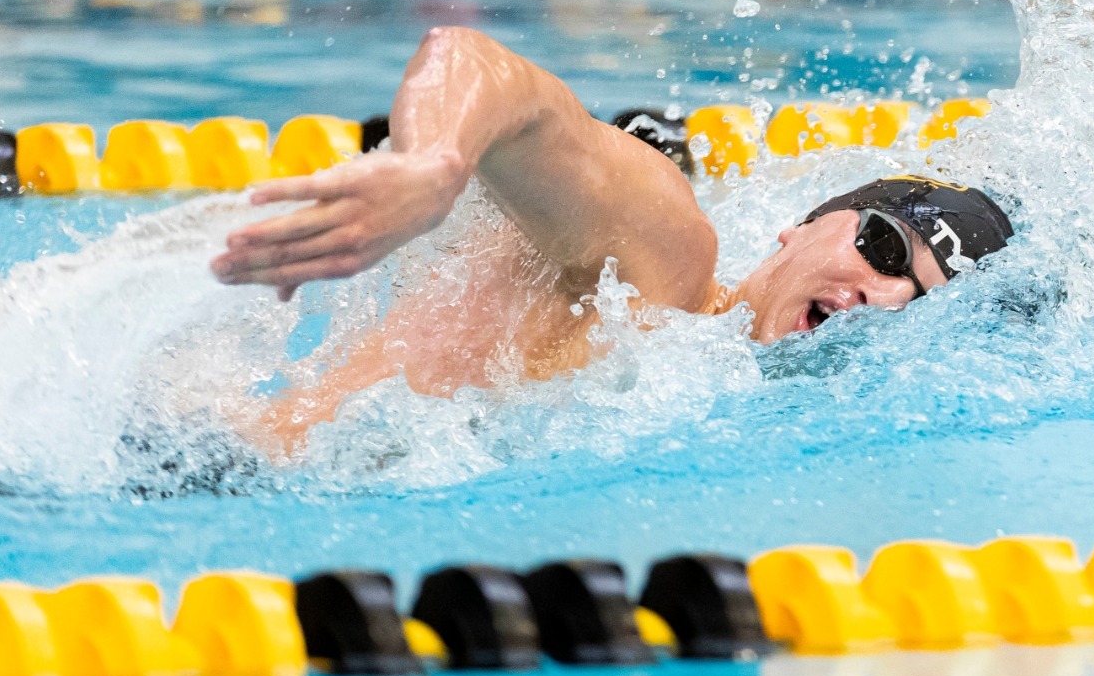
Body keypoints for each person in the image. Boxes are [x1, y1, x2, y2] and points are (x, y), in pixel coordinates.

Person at [210, 26, 1014, 453]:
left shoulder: (709, 399)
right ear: (801, 226)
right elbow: (478, 62)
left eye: (914, 300)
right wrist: (435, 165)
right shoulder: (665, 260)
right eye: (881, 248)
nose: (880, 295)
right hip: (213, 456)